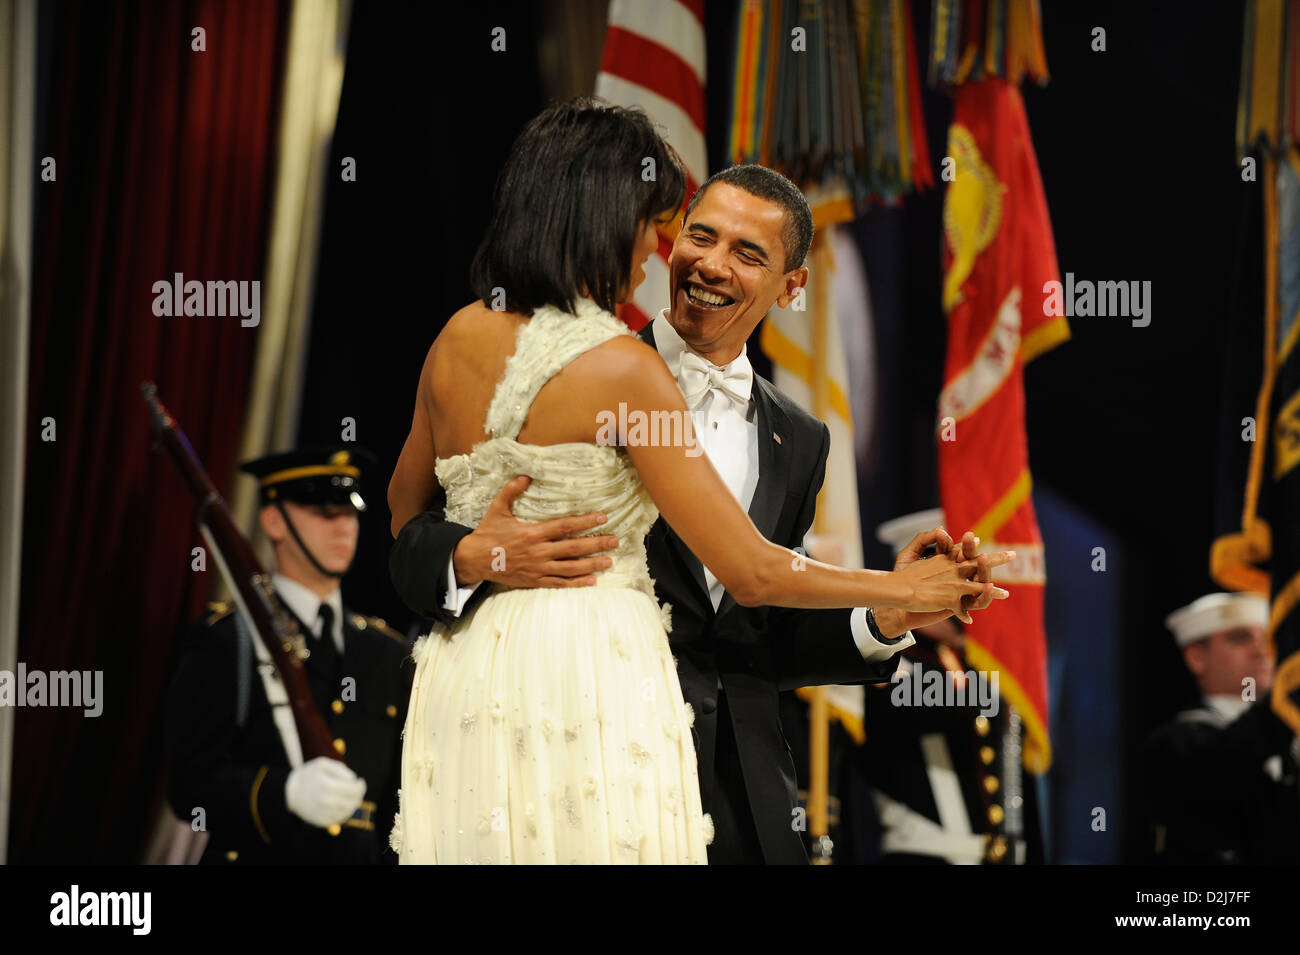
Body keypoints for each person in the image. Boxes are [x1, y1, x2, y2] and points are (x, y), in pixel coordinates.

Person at [386, 98, 1012, 864]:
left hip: (723, 785)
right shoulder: (625, 367)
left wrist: (884, 615)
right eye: (690, 232)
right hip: (600, 720)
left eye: (747, 253)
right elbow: (752, 569)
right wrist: (471, 556)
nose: (688, 256)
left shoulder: (800, 438)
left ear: (790, 287)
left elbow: (765, 626)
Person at [164, 447, 411, 864]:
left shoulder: (386, 652)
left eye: (349, 512)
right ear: (274, 521)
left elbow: (400, 799)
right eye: (323, 513)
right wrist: (283, 794)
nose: (343, 527)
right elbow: (189, 786)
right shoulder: (228, 640)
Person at [1143, 591, 1300, 864]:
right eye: (1241, 638)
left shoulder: (1286, 727)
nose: (1261, 650)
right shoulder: (1176, 741)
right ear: (1196, 658)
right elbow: (1226, 765)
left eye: (1266, 638)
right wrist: (1289, 693)